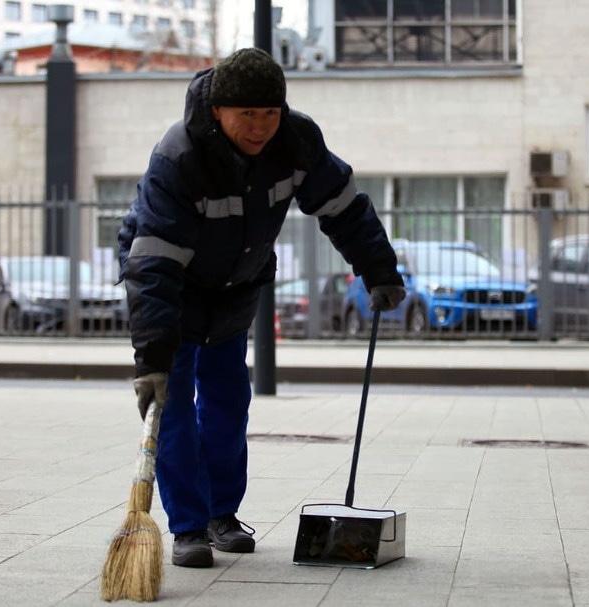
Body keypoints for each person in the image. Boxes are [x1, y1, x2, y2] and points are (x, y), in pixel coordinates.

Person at [116, 47, 407, 568]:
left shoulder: (296, 141)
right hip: (170, 292)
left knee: (228, 403)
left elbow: (342, 208)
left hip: (235, 287)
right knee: (175, 404)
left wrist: (378, 269)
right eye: (246, 115)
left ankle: (221, 515)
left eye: (269, 113)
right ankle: (187, 528)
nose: (259, 127)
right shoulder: (179, 158)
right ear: (217, 111)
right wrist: (152, 358)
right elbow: (154, 265)